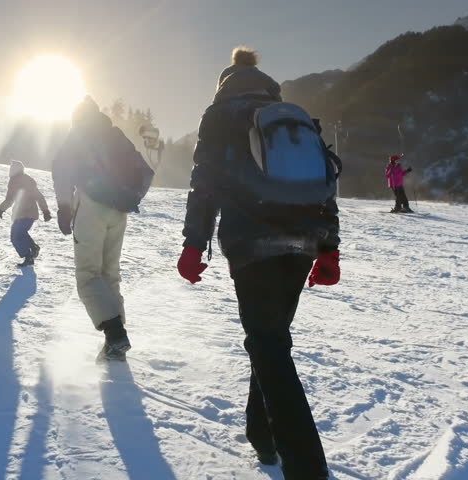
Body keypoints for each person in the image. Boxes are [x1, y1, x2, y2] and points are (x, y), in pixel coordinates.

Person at [176, 46, 339, 480]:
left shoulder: (220, 114)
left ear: (225, 79)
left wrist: (194, 244)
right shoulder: (289, 115)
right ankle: (262, 437)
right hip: (305, 241)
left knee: (268, 345)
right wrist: (329, 247)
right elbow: (327, 182)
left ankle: (305, 467)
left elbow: (204, 183)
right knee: (271, 338)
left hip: (253, 243)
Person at [52, 96, 148, 362]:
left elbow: (61, 170)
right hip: (119, 210)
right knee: (109, 275)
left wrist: (64, 207)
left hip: (91, 205)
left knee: (88, 276)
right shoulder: (114, 135)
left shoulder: (79, 134)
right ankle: (115, 341)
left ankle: (115, 335)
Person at [0, 160, 51, 267]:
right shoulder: (28, 180)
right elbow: (39, 196)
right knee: (21, 233)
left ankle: (29, 256)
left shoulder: (14, 181)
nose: (10, 170)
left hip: (22, 213)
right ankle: (33, 247)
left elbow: (10, 199)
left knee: (15, 236)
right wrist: (45, 210)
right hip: (29, 214)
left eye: (12, 168)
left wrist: (2, 208)